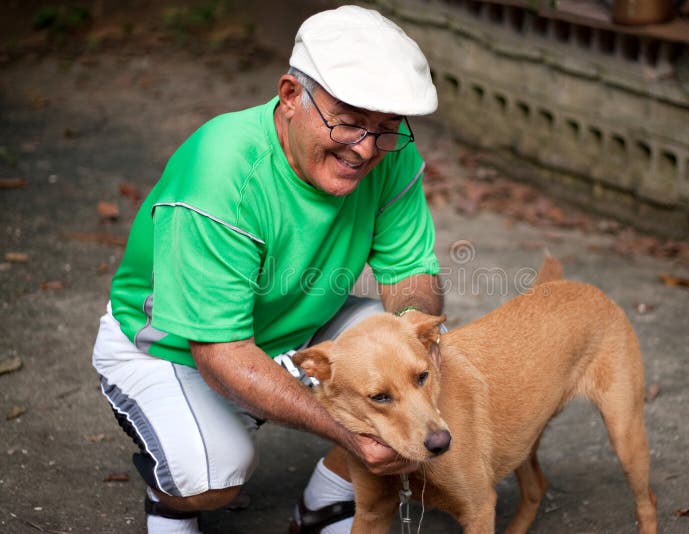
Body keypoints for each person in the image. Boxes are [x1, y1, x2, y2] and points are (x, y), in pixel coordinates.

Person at [91, 5, 443, 533]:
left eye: (384, 129)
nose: (366, 149)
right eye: (347, 123)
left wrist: (416, 348)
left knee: (425, 366)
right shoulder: (221, 175)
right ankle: (171, 496)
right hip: (176, 347)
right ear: (290, 96)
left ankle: (328, 499)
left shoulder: (389, 154)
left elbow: (412, 274)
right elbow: (223, 355)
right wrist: (352, 431)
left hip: (296, 326)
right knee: (210, 478)